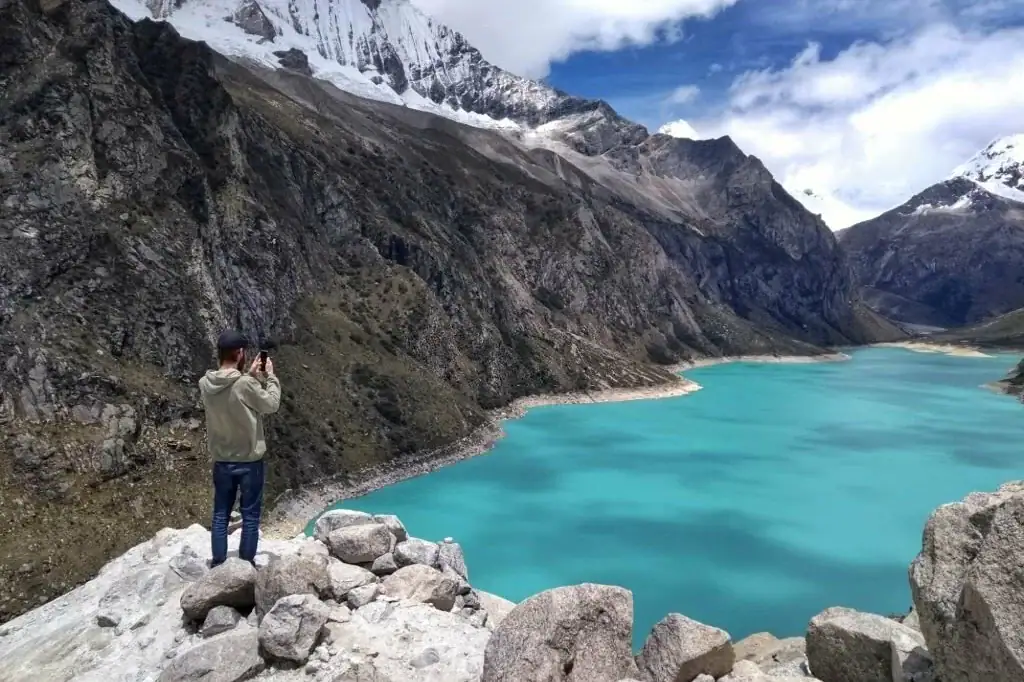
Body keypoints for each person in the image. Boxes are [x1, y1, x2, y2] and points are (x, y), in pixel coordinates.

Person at [199, 330, 281, 568]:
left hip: (222, 461)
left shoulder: (205, 384)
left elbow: (231, 389)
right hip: (248, 462)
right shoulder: (245, 384)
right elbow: (270, 404)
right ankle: (245, 565)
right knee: (250, 515)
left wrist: (250, 377)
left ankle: (218, 562)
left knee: (220, 514)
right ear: (239, 353)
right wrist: (270, 377)